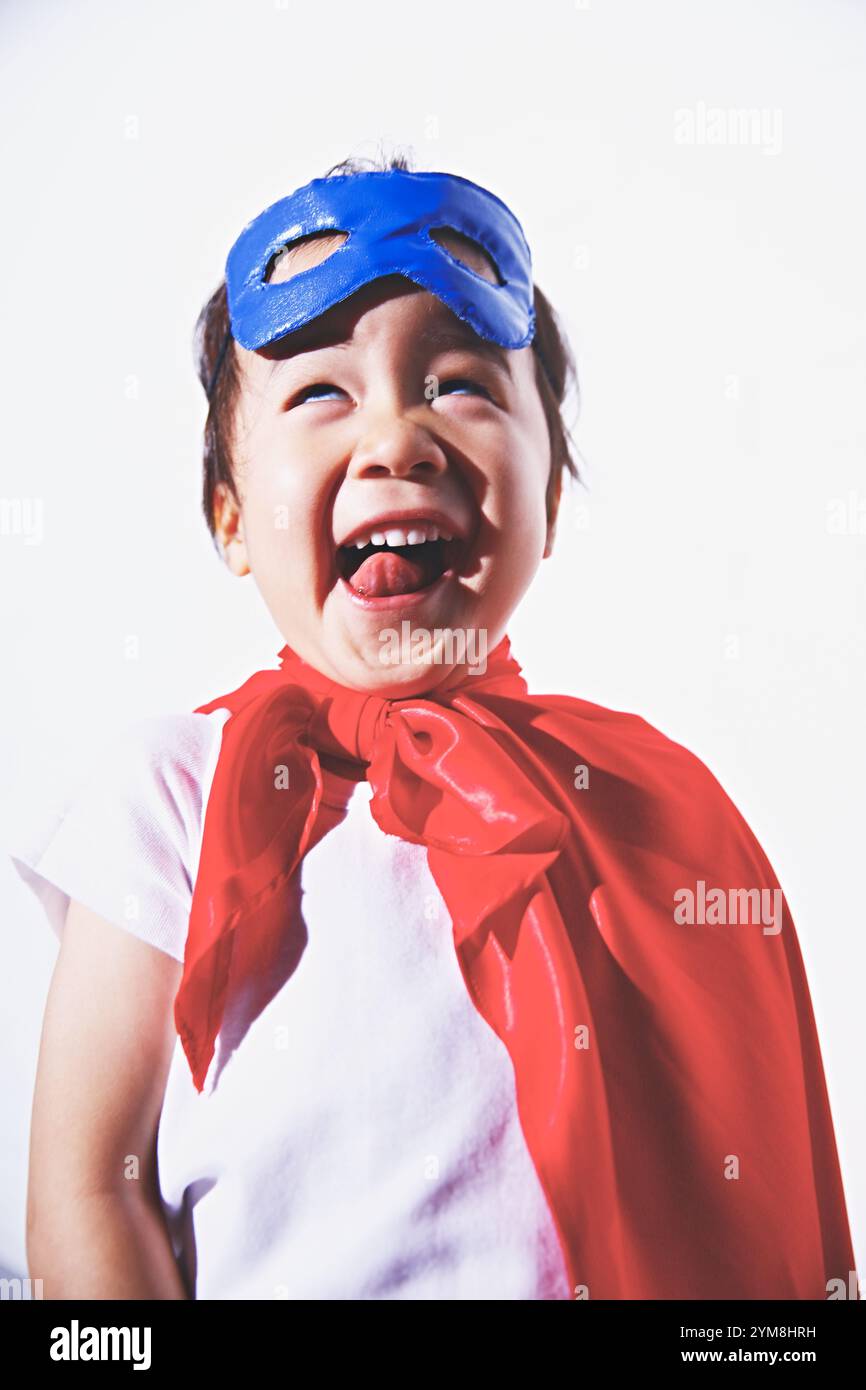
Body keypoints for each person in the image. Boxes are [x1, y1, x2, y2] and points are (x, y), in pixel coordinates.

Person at [13, 151, 857, 1301]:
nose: (397, 437)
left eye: (460, 382)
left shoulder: (650, 811)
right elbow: (89, 1192)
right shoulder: (170, 793)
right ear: (231, 519)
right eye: (320, 393)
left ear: (548, 500)